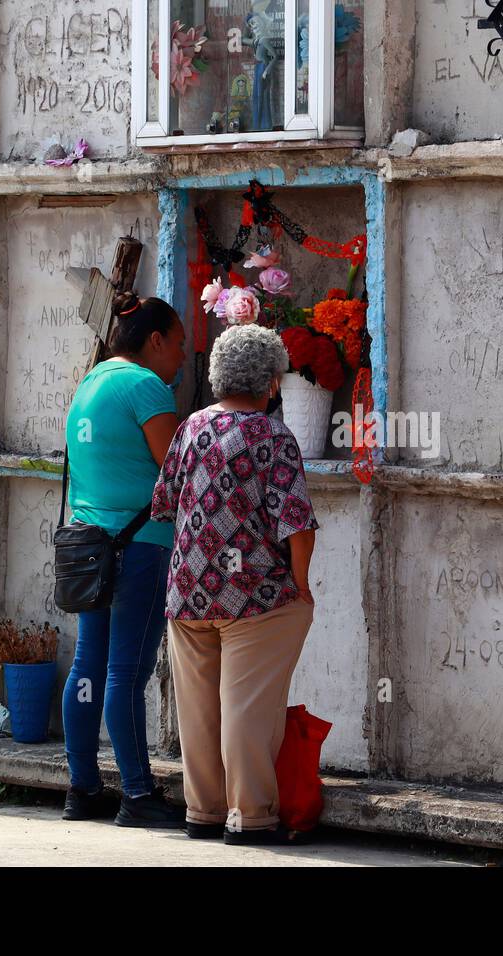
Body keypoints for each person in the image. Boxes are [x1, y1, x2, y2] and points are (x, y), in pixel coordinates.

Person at [151, 323, 318, 845]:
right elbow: (298, 525)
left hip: (188, 593)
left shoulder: (191, 428)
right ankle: (250, 817)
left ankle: (202, 811)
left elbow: (164, 505)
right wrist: (301, 586)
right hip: (254, 595)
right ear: (270, 382)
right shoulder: (273, 436)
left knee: (199, 710)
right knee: (247, 706)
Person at [60, 292, 186, 827]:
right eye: (179, 346)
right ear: (154, 341)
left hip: (89, 547)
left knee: (89, 666)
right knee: (126, 673)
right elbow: (176, 469)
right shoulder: (144, 386)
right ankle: (137, 794)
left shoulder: (89, 382)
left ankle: (82, 788)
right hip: (137, 546)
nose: (182, 358)